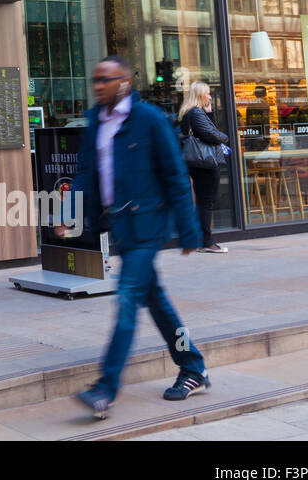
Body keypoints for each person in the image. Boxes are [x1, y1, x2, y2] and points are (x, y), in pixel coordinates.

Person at [64, 56, 209, 419]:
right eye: (95, 79)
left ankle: (105, 389)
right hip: (120, 227)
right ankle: (193, 366)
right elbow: (85, 172)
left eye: (105, 80)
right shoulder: (95, 119)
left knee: (127, 300)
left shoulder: (150, 120)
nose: (97, 85)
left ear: (124, 83)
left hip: (148, 227)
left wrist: (190, 231)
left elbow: (176, 175)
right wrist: (70, 215)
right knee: (155, 301)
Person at [179, 81, 230, 254]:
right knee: (206, 202)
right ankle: (206, 242)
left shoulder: (191, 113)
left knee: (203, 201)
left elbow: (207, 129)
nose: (209, 97)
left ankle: (201, 240)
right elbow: (211, 133)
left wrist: (209, 113)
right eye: (207, 94)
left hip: (199, 162)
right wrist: (224, 137)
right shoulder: (195, 113)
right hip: (205, 163)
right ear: (199, 95)